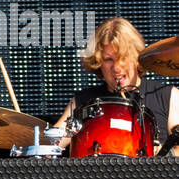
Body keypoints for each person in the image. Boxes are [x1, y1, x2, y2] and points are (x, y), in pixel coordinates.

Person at [53, 16, 179, 152]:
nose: (117, 68)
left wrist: (162, 157)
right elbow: (51, 144)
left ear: (137, 57)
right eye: (108, 59)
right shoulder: (82, 102)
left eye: (123, 57)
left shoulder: (168, 96)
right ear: (98, 62)